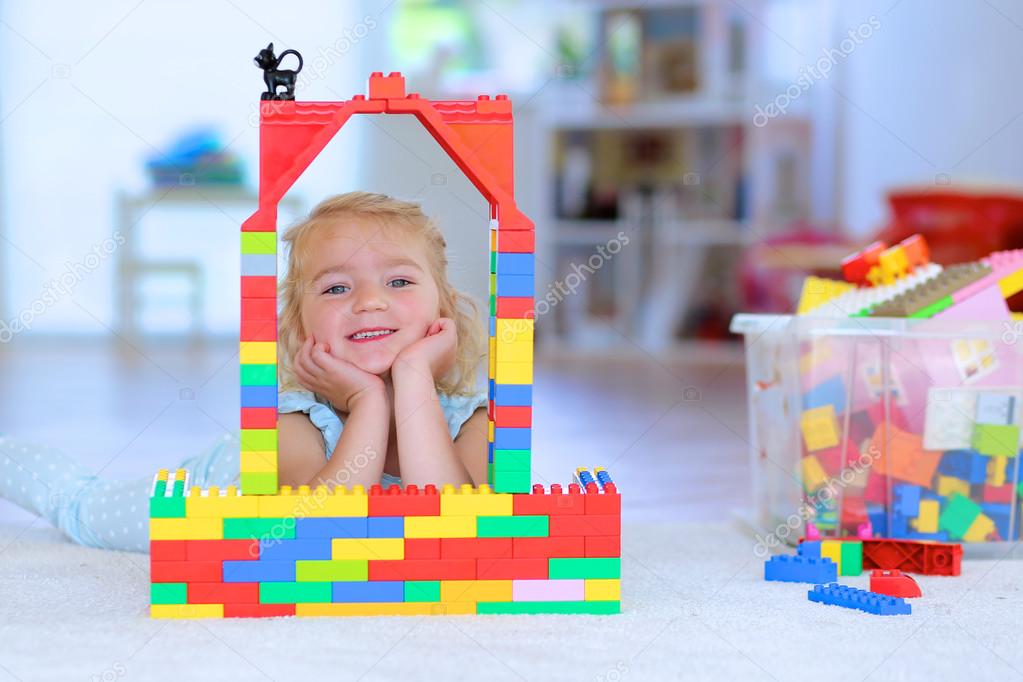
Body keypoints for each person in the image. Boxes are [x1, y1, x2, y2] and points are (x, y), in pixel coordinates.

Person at [0, 192, 490, 552]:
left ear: (442, 308)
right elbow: (314, 532)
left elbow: (455, 529)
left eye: (399, 281)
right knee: (83, 509)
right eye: (336, 289)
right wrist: (369, 401)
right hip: (220, 489)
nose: (369, 302)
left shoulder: (471, 423)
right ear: (300, 325)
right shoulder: (296, 421)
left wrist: (412, 377)